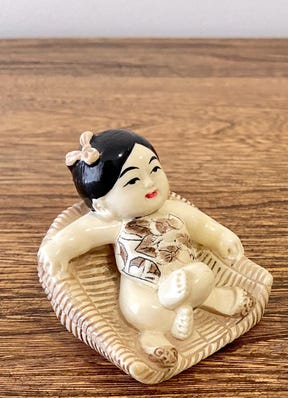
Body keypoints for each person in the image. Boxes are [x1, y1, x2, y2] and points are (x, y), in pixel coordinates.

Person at [39, 129, 250, 366]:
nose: (149, 182)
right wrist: (55, 251)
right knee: (141, 309)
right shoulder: (113, 223)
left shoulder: (173, 209)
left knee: (202, 274)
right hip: (143, 285)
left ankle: (208, 299)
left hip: (186, 274)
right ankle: (155, 336)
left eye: (154, 169)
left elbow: (202, 225)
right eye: (133, 180)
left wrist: (222, 237)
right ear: (103, 205)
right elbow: (79, 236)